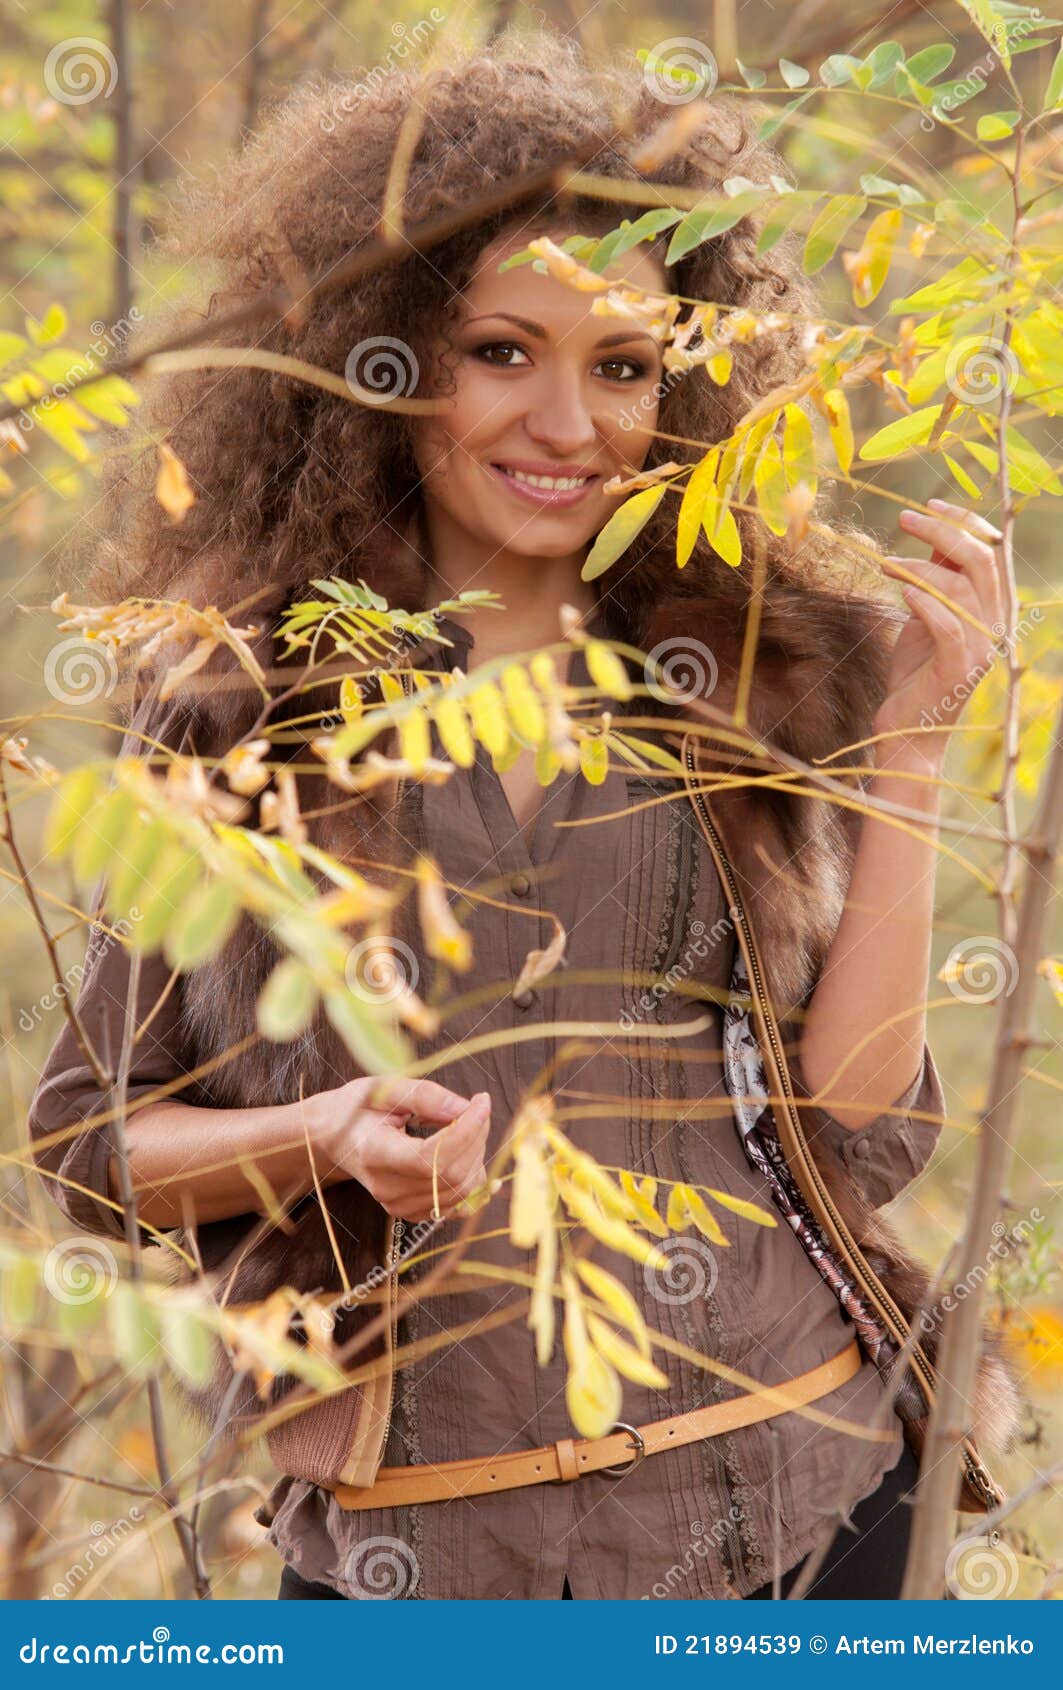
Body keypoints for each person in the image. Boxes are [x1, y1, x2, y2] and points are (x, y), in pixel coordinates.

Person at [29, 30, 1010, 1601]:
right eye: (504, 350)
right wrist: (321, 1132)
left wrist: (912, 753)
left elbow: (852, 1116)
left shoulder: (759, 667)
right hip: (426, 1552)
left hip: (806, 1511)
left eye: (623, 366)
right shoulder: (245, 695)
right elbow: (93, 1141)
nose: (569, 423)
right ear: (389, 352)